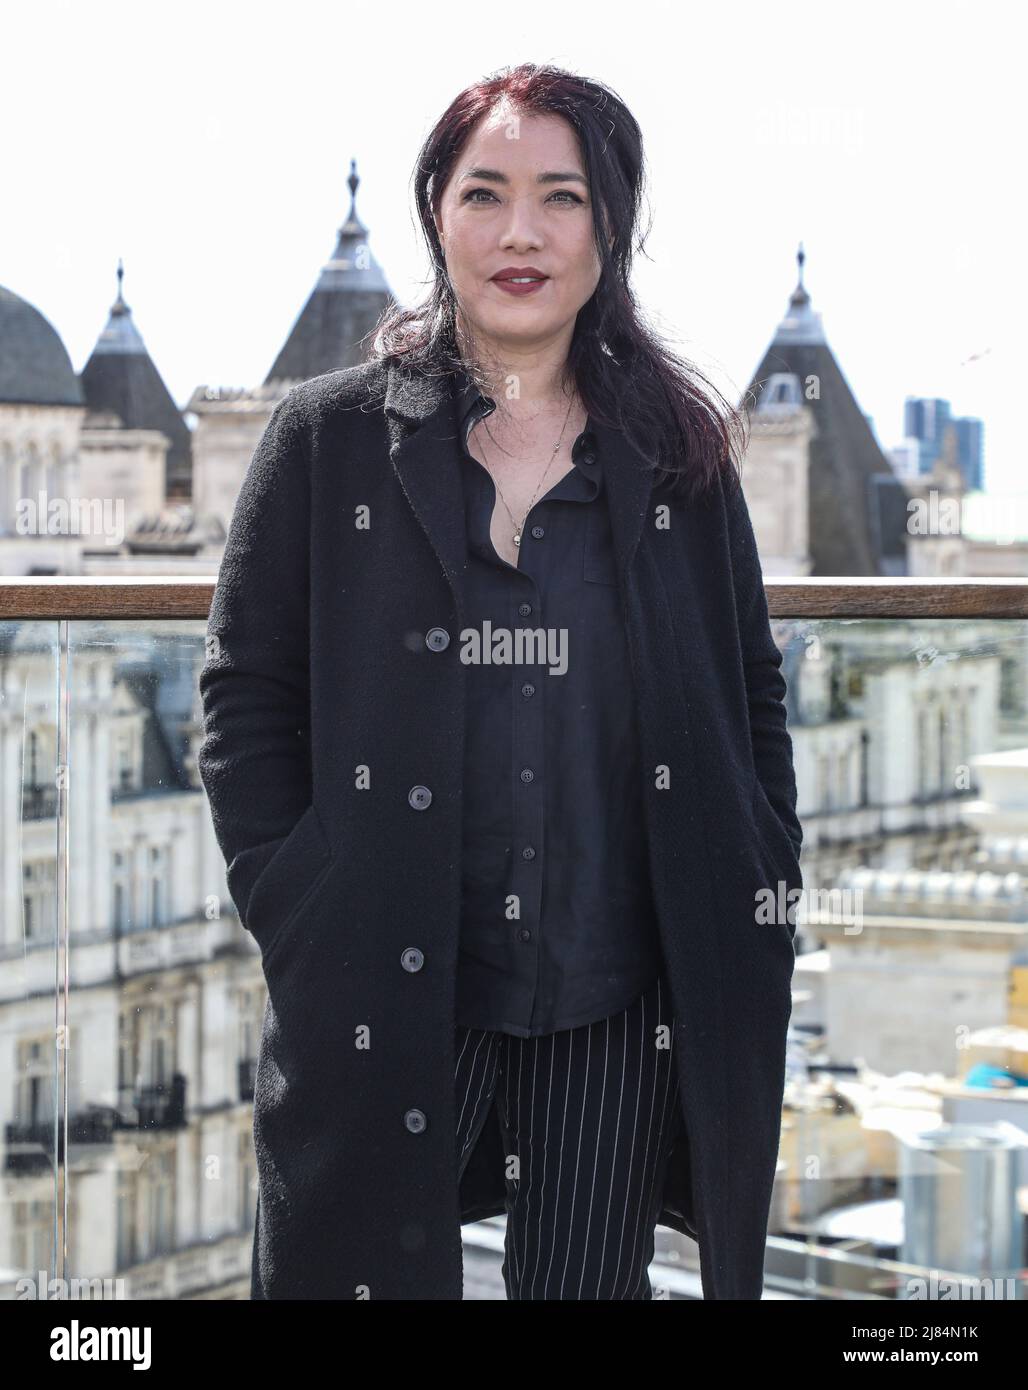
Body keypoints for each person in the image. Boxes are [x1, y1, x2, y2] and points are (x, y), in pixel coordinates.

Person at [198, 62, 802, 1302]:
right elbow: (245, 695)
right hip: (387, 970)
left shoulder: (680, 456)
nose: (519, 232)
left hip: (617, 999)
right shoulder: (326, 438)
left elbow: (748, 688)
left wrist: (761, 860)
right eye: (484, 192)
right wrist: (296, 899)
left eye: (560, 197)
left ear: (608, 228)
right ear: (436, 217)